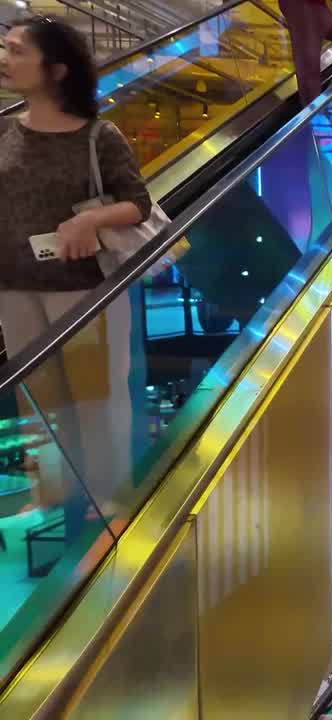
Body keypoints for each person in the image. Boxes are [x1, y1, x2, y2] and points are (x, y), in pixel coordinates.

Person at [0, 17, 151, 532]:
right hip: (15, 286)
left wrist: (90, 220)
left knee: (96, 396)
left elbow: (137, 202)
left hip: (85, 290)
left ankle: (106, 491)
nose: (5, 59)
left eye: (17, 50)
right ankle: (49, 490)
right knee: (38, 394)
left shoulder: (97, 136)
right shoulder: (5, 132)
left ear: (57, 69)